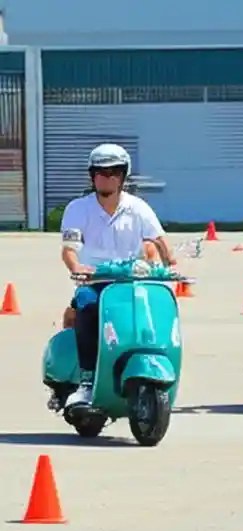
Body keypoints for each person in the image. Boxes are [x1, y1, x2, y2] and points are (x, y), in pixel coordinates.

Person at [59, 143, 175, 409]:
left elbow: (158, 240)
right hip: (96, 281)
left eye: (113, 171)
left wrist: (172, 264)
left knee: (152, 311)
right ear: (92, 176)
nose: (106, 177)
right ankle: (87, 381)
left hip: (133, 280)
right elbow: (69, 249)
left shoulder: (138, 207)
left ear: (123, 175)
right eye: (100, 171)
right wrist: (77, 267)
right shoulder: (78, 208)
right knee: (87, 305)